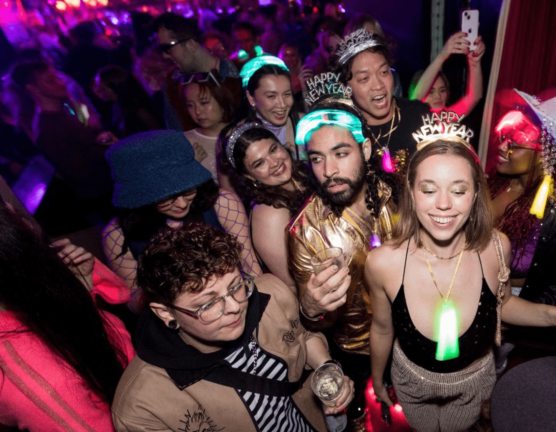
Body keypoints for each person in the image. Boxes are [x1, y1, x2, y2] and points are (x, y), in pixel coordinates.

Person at [366, 127, 556, 432]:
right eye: (429, 189)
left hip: (474, 384)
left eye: (458, 190)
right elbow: (381, 328)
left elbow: (503, 305)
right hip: (411, 381)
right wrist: (378, 378)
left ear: (475, 193)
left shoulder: (496, 247)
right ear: (410, 191)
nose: (443, 204)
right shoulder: (384, 263)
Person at [111, 223, 354, 431]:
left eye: (236, 286)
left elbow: (304, 335)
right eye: (207, 303)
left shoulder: (270, 291)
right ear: (165, 312)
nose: (235, 306)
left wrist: (327, 367)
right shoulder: (140, 407)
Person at [288, 98, 399, 428]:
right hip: (356, 353)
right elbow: (318, 324)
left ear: (365, 150)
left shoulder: (397, 193)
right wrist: (310, 309)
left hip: (410, 337)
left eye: (340, 153)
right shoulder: (305, 232)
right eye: (317, 159)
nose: (329, 171)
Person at [0, 204, 134, 431]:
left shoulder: (31, 297)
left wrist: (80, 296)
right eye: (8, 215)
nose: (24, 220)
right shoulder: (33, 373)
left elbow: (119, 305)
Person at [102, 130, 261, 313]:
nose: (181, 203)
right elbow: (135, 306)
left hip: (238, 305)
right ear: (140, 198)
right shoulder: (118, 236)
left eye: (187, 190)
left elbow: (251, 267)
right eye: (166, 198)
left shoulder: (222, 203)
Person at [488, 90, 556, 307]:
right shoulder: (491, 185)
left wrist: (513, 323)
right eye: (505, 137)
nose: (502, 146)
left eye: (515, 142)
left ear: (546, 154)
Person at [10, 60, 116, 235]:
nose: (61, 82)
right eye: (51, 81)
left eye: (57, 77)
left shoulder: (61, 111)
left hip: (109, 191)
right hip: (105, 198)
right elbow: (80, 173)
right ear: (33, 89)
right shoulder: (47, 129)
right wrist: (108, 148)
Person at [222, 123, 312, 293]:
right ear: (248, 175)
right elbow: (293, 286)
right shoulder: (268, 214)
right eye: (259, 163)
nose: (274, 163)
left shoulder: (306, 172)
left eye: (273, 150)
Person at [334, 29, 431, 162]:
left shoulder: (419, 116)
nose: (378, 85)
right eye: (364, 78)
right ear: (346, 88)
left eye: (384, 72)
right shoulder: (343, 133)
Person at [153, 12, 242, 131]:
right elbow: (177, 136)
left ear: (190, 45)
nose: (164, 56)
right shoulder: (172, 86)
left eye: (167, 48)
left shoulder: (238, 74)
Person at [235, 55, 304, 160]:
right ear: (251, 98)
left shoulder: (305, 125)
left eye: (287, 94)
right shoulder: (238, 136)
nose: (282, 104)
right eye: (271, 96)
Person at [410, 31, 486, 118]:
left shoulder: (448, 117)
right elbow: (416, 100)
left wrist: (474, 62)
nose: (438, 96)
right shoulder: (412, 117)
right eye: (430, 92)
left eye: (442, 90)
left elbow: (474, 97)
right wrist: (443, 54)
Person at [181, 79, 236, 181]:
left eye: (204, 103)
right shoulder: (184, 142)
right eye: (190, 105)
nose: (197, 111)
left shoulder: (243, 133)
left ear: (222, 101)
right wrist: (191, 167)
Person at [93, 65, 163, 137]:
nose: (99, 91)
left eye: (102, 89)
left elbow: (162, 137)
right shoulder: (116, 107)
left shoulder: (140, 111)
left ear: (115, 87)